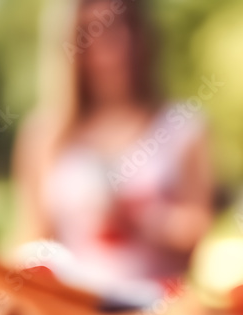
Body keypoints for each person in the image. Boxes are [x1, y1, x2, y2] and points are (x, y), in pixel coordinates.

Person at [13, 0, 214, 285]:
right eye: (94, 30)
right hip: (71, 305)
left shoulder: (183, 126)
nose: (117, 46)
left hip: (157, 304)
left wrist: (146, 221)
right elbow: (31, 235)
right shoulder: (44, 134)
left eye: (124, 25)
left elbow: (201, 233)